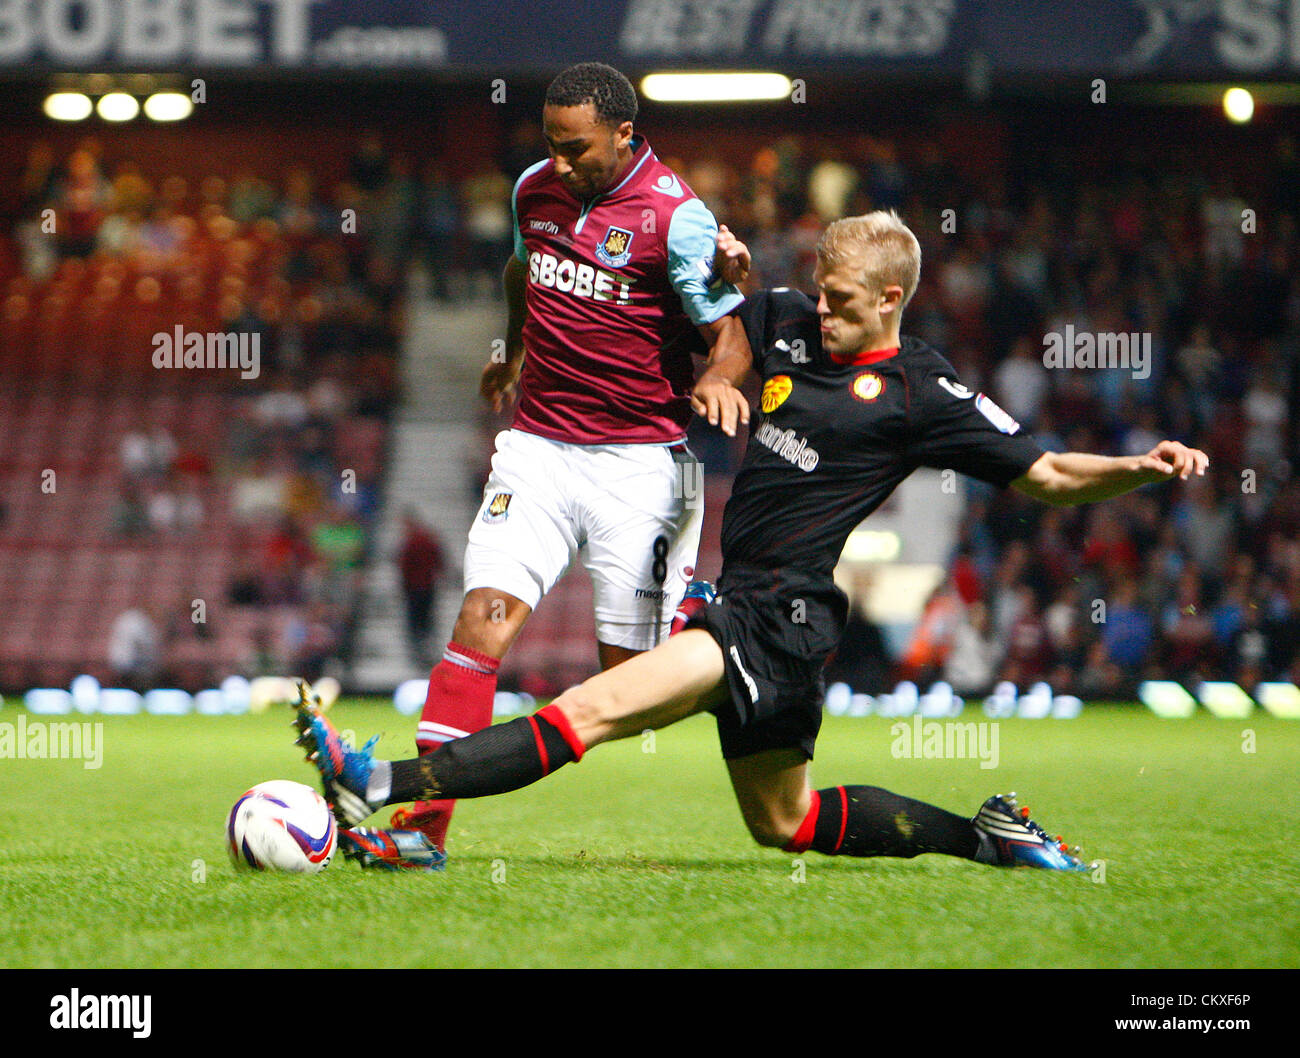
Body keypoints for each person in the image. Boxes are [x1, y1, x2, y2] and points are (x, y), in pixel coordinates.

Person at [297, 211, 1208, 872]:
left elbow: (1046, 475)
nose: (822, 306)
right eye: (817, 286)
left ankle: (383, 783)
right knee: (788, 823)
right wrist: (717, 259)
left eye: (843, 298)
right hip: (758, 613)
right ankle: (987, 837)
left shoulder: (920, 393)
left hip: (781, 615)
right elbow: (703, 299)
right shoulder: (786, 322)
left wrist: (1143, 465)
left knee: (594, 709)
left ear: (892, 299)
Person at [377, 62, 752, 863]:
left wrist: (718, 380)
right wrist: (512, 353)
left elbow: (732, 335)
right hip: (539, 449)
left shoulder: (676, 216)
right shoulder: (535, 190)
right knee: (480, 621)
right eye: (550, 145)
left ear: (624, 133)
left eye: (576, 147)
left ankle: (716, 635)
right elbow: (523, 269)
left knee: (629, 685)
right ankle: (418, 833)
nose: (561, 163)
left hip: (641, 465)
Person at [395, 510, 446, 667]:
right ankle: (425, 651)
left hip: (416, 589)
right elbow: (439, 561)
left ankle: (421, 653)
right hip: (426, 587)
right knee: (425, 623)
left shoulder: (412, 543)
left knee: (417, 623)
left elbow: (404, 566)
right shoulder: (428, 540)